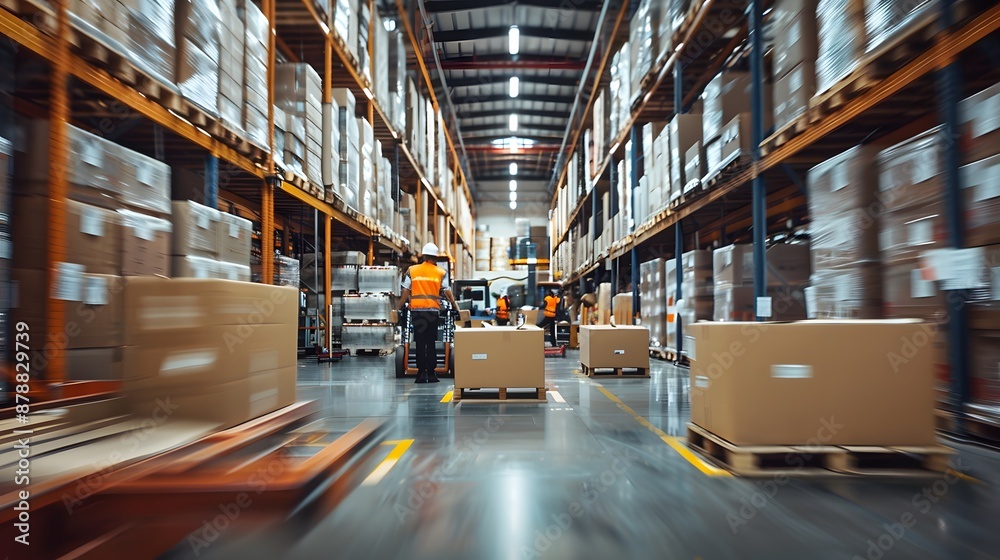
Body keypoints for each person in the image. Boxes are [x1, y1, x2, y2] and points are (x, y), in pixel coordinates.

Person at [397, 243, 459, 384]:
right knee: (430, 343)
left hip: (417, 312)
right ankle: (431, 374)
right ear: (435, 258)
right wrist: (455, 307)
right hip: (432, 312)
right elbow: (447, 292)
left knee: (419, 342)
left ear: (424, 256)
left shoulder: (412, 270)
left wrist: (398, 307)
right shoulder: (440, 272)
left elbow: (406, 291)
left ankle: (420, 374)